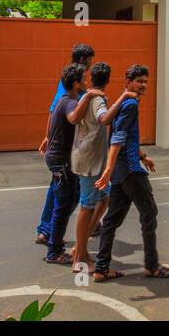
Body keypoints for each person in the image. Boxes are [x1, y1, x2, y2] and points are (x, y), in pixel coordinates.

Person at [93, 64, 169, 280]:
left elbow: (128, 138)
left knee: (111, 221)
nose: (143, 85)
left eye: (145, 81)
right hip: (129, 171)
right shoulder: (130, 104)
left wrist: (143, 156)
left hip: (122, 173)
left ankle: (101, 269)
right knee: (149, 213)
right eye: (139, 81)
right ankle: (151, 265)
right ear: (128, 82)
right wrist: (108, 168)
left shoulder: (124, 102)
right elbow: (118, 138)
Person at [69, 62, 136, 273]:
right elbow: (105, 119)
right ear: (108, 80)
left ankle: (80, 249)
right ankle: (79, 258)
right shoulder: (97, 99)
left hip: (92, 159)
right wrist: (124, 96)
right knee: (87, 207)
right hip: (90, 161)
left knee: (105, 199)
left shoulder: (88, 96)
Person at [36, 43, 94, 245]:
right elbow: (56, 111)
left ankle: (47, 230)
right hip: (64, 152)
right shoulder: (69, 83)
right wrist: (48, 137)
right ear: (81, 60)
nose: (91, 64)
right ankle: (49, 232)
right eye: (89, 60)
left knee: (61, 188)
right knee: (66, 192)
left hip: (65, 150)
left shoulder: (69, 80)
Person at [43, 62, 87, 265]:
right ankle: (54, 251)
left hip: (60, 160)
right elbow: (73, 118)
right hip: (60, 161)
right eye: (84, 79)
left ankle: (53, 238)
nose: (86, 82)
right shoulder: (70, 102)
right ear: (76, 83)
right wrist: (90, 97)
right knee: (63, 203)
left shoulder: (65, 99)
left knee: (72, 197)